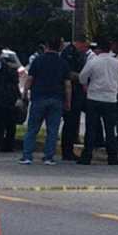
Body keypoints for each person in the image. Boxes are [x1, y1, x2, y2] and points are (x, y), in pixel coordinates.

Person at [21, 36, 70, 165]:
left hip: (39, 97)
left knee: (32, 128)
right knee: (52, 130)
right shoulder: (63, 63)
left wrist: (25, 93)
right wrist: (68, 101)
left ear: (47, 46)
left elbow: (30, 79)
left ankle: (27, 156)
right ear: (60, 47)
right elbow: (67, 84)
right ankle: (49, 157)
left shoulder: (38, 60)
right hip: (56, 98)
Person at [78, 39, 118, 165]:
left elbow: (82, 77)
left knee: (91, 128)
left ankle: (86, 156)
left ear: (98, 49)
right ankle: (112, 156)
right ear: (110, 48)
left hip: (94, 97)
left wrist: (88, 84)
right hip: (110, 99)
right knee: (110, 129)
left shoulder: (93, 62)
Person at [60, 38, 94, 161]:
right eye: (85, 46)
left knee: (74, 122)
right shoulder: (68, 53)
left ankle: (70, 147)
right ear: (79, 43)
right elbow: (67, 73)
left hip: (78, 92)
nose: (86, 49)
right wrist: (82, 77)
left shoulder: (79, 54)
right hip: (71, 91)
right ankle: (67, 151)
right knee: (70, 122)